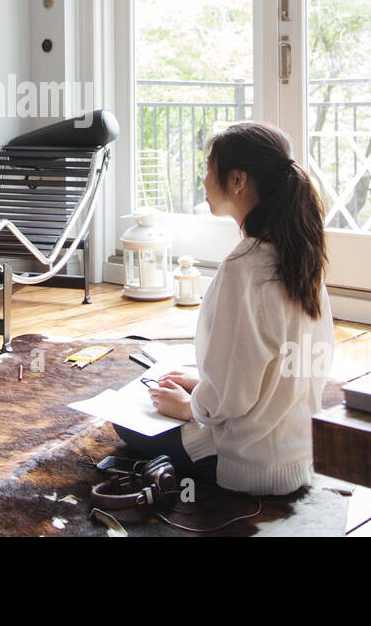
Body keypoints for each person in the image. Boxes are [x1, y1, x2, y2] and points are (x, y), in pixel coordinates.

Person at [114, 122, 335, 497]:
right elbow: (276, 366)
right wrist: (202, 384)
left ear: (237, 180)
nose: (203, 180)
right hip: (298, 454)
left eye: (208, 168)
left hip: (249, 466)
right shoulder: (301, 253)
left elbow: (226, 400)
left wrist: (191, 406)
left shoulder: (243, 268)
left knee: (125, 424)